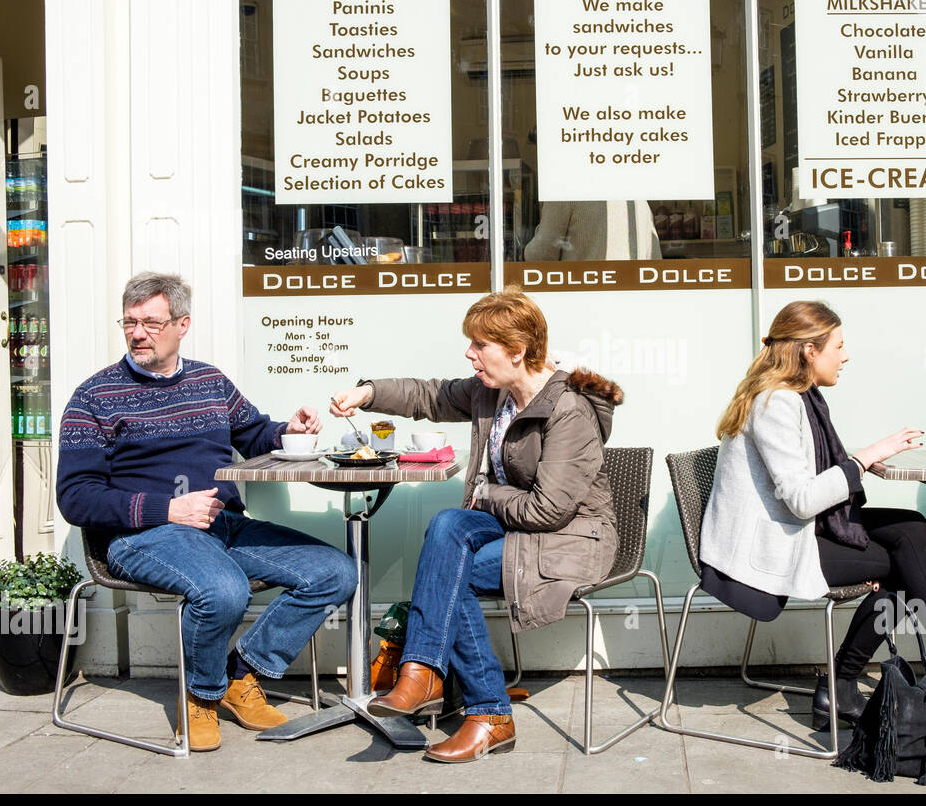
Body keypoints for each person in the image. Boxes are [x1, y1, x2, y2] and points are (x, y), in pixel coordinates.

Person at [56, 272, 357, 752]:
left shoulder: (209, 381)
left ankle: (243, 676)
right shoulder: (94, 397)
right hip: (145, 535)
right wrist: (167, 508)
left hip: (222, 526)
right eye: (130, 322)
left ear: (182, 324)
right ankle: (201, 695)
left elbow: (254, 433)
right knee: (222, 590)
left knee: (335, 571)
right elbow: (75, 497)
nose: (138, 333)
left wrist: (287, 431)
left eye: (151, 323)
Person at [331, 286, 623, 762]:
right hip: (516, 529)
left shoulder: (568, 411)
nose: (469, 354)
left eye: (479, 345)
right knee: (448, 521)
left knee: (453, 574)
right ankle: (424, 673)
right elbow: (430, 394)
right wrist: (367, 392)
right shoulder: (494, 393)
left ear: (518, 350)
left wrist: (485, 493)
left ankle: (485, 710)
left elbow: (548, 511)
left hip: (572, 539)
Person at [699, 300, 926, 727]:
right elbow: (800, 498)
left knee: (910, 529)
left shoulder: (799, 398)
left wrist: (862, 462)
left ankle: (886, 679)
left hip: (797, 529)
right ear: (809, 351)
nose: (846, 355)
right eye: (839, 345)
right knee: (909, 568)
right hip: (770, 546)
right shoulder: (775, 402)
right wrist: (867, 458)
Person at [523, 200, 662, 261]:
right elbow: (655, 260)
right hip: (631, 301)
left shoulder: (566, 192)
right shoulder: (640, 202)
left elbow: (539, 255)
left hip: (582, 299)